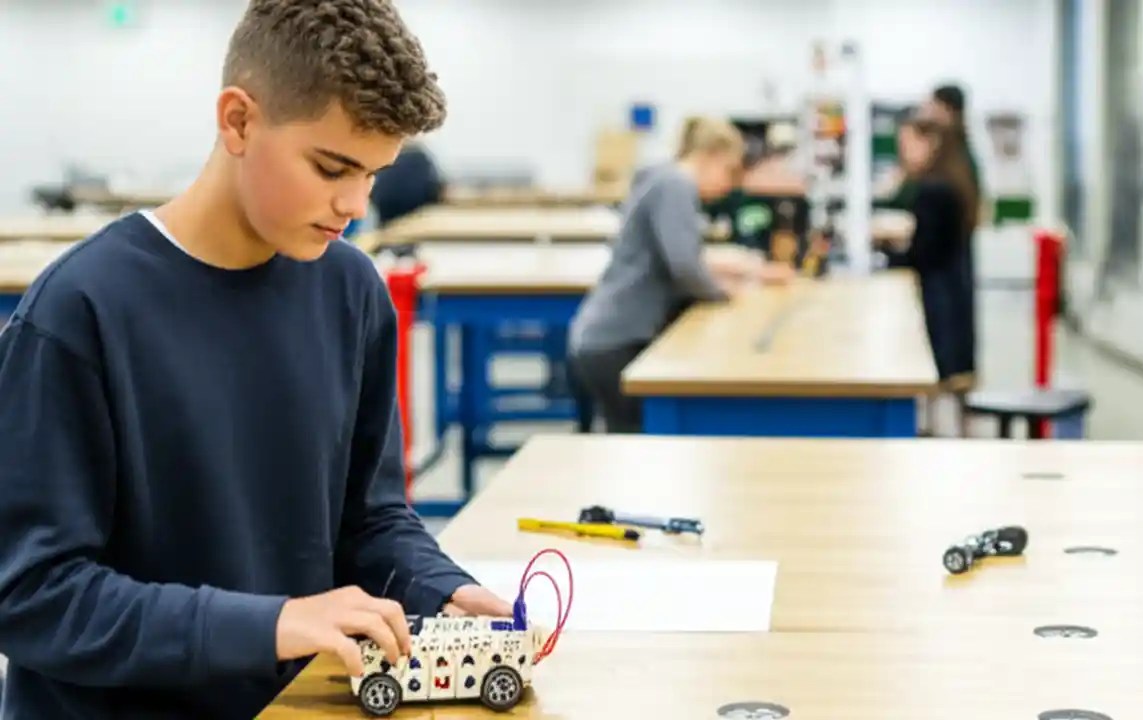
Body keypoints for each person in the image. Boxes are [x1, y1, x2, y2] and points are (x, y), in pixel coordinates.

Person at [0, 2, 510, 718]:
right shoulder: (78, 312)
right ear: (238, 121)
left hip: (293, 703)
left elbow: (370, 520)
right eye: (332, 166)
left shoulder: (351, 290)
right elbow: (31, 595)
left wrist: (439, 587)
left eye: (373, 174)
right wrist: (268, 625)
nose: (354, 205)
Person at [568, 117, 792, 433]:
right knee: (635, 445)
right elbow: (686, 266)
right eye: (728, 171)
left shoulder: (662, 178)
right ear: (711, 155)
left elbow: (686, 256)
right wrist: (724, 293)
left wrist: (743, 270)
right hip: (616, 341)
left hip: (605, 338)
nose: (728, 185)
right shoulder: (677, 185)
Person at [878, 115, 979, 433]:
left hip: (939, 296)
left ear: (929, 143)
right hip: (954, 289)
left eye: (907, 145)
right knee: (951, 382)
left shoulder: (933, 189)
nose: (904, 154)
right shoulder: (954, 180)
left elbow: (924, 252)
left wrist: (889, 252)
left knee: (938, 374)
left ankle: (932, 434)